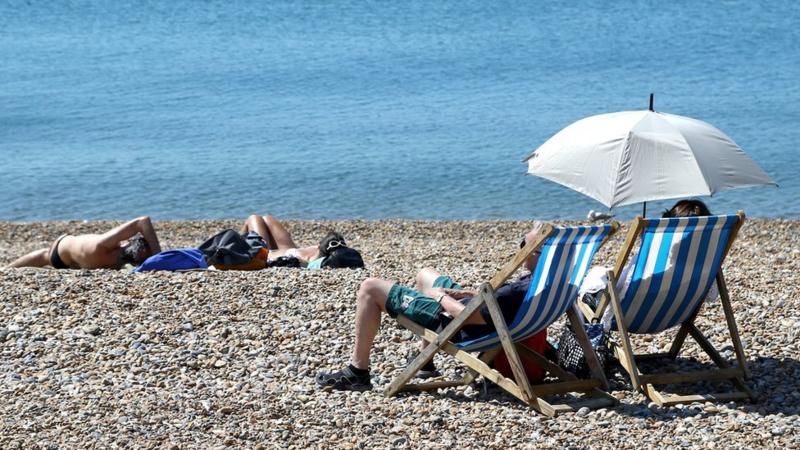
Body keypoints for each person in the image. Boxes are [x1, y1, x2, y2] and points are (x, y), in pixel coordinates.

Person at [315, 223, 547, 391]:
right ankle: (425, 361)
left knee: (369, 287)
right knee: (425, 274)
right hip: (482, 312)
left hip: (456, 321)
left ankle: (357, 371)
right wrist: (465, 293)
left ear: (534, 252)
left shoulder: (519, 289)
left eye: (522, 244)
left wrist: (440, 298)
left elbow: (470, 318)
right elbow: (498, 304)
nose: (518, 249)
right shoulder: (543, 281)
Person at [7, 216, 161, 269]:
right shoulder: (107, 250)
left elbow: (142, 222)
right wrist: (158, 256)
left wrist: (156, 253)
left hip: (66, 256)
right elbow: (143, 220)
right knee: (44, 256)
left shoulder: (110, 250)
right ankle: (6, 269)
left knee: (44, 256)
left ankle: (7, 269)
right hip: (63, 252)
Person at [239, 214, 364, 269]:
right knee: (268, 218)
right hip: (290, 249)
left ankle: (234, 250)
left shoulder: (312, 260)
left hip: (266, 252)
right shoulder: (326, 254)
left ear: (320, 245)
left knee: (253, 218)